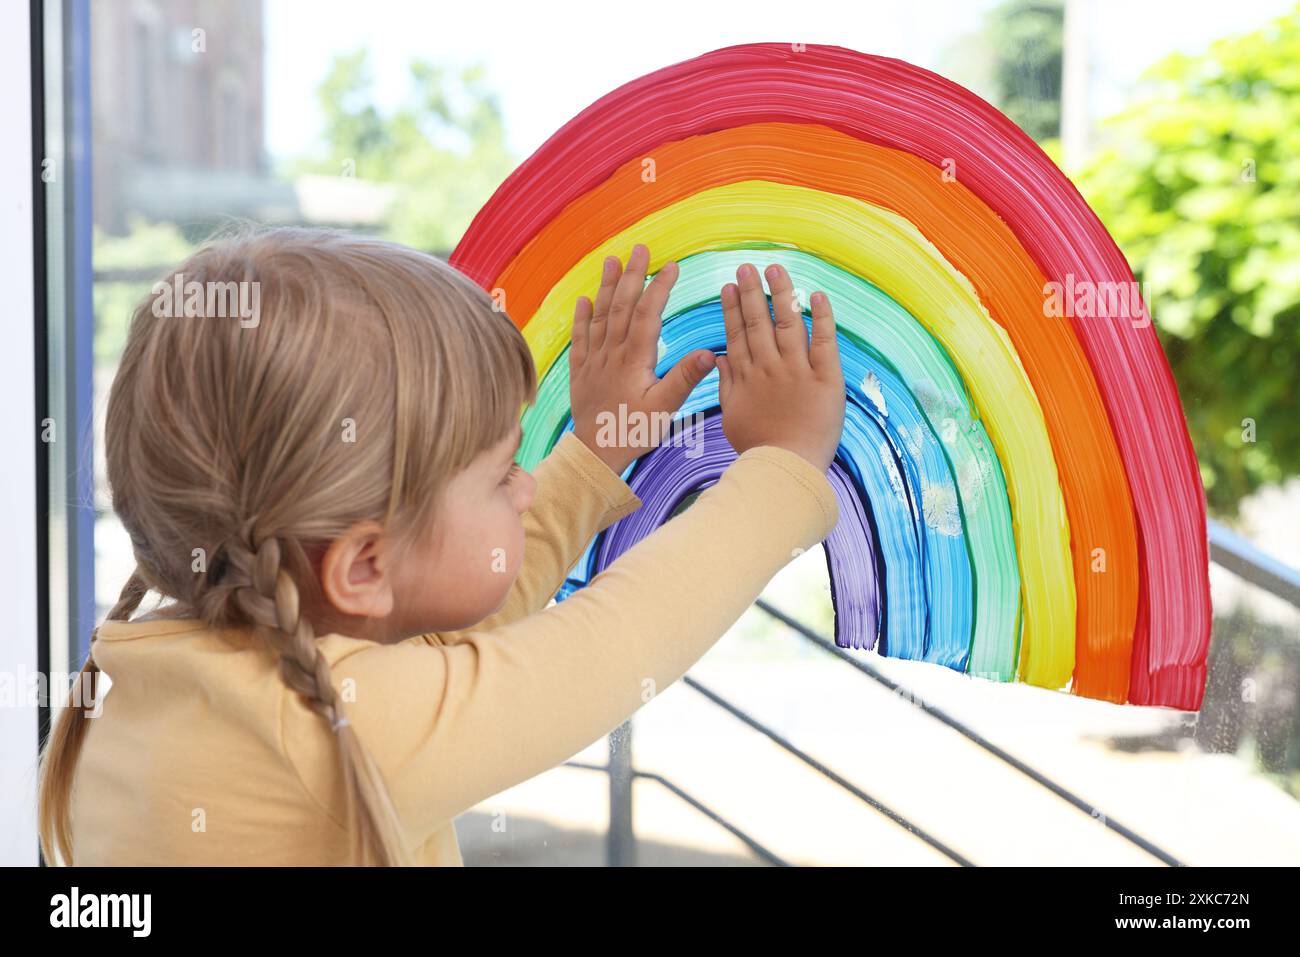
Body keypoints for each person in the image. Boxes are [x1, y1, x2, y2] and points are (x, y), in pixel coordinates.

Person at [37, 228, 844, 865]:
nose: (524, 487)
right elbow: (610, 646)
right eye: (501, 476)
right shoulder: (327, 727)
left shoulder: (168, 680)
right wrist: (779, 466)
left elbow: (457, 629)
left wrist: (596, 454)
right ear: (363, 566)